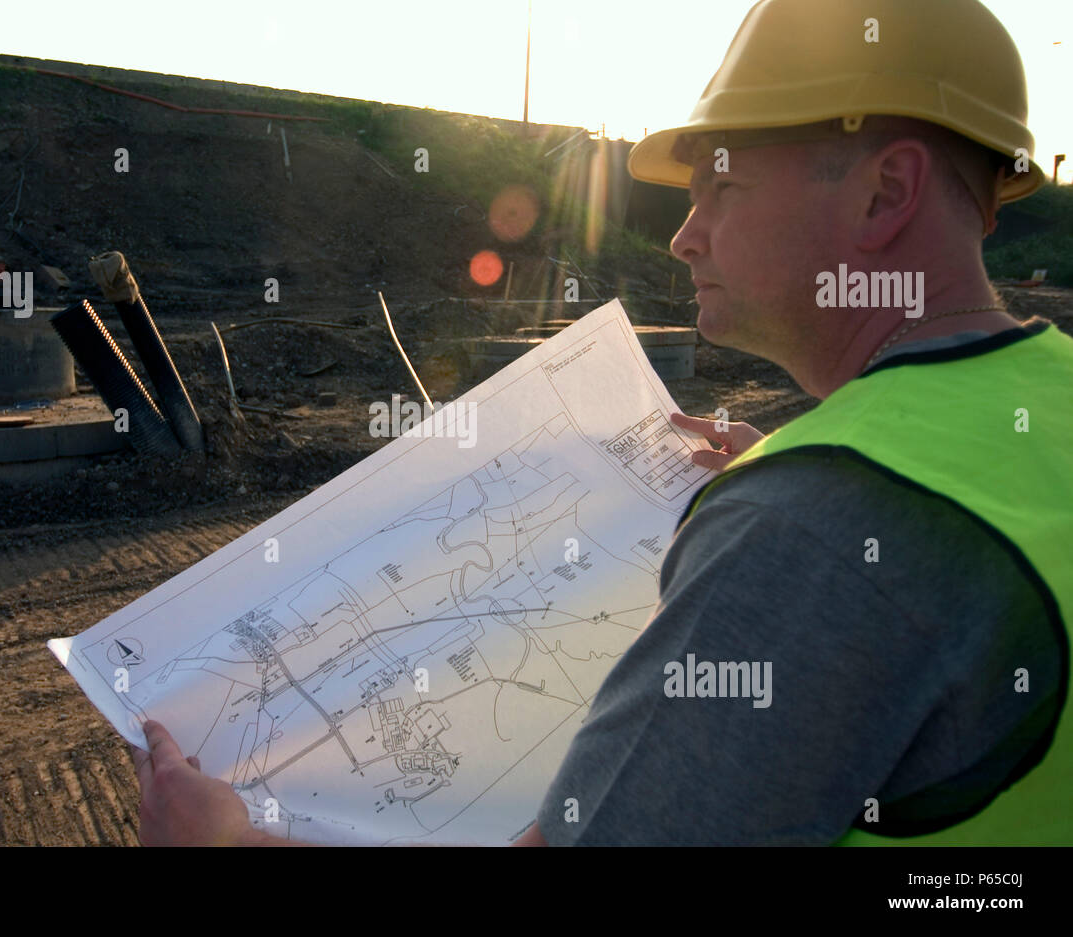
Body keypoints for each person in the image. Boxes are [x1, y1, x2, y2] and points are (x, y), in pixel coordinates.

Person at [132, 0, 1073, 845]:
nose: (683, 233)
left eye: (722, 187)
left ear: (886, 193)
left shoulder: (809, 523)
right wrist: (794, 476)